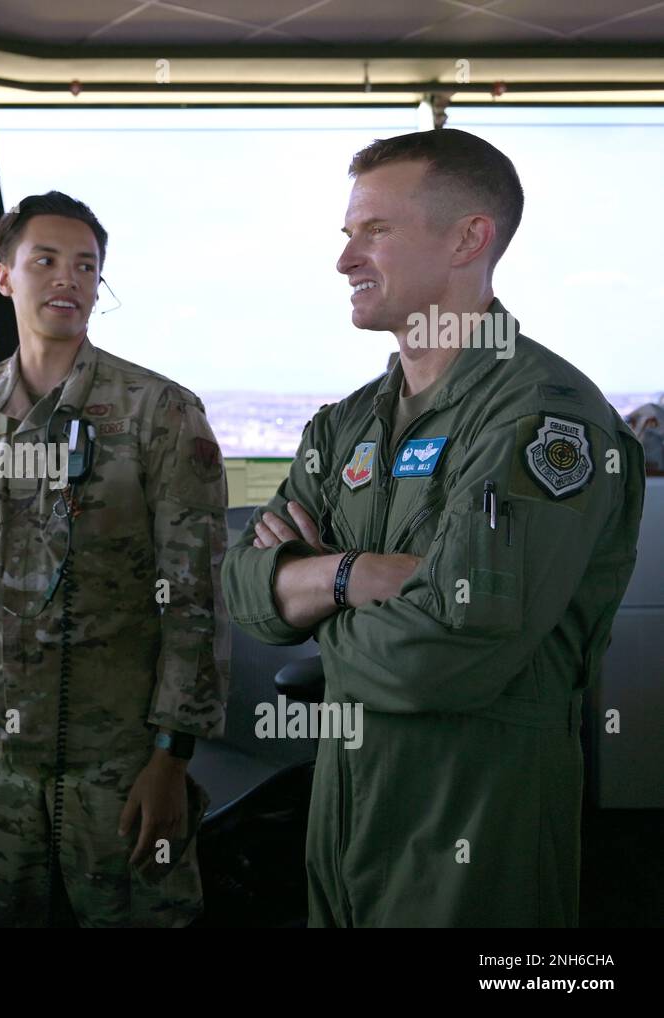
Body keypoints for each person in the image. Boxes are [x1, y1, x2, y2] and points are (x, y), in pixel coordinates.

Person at [223, 128, 644, 927]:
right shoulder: (345, 424)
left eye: (374, 231)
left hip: (479, 808)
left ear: (468, 239)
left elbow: (439, 659)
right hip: (345, 799)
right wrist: (349, 575)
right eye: (348, 235)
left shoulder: (541, 419)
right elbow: (244, 592)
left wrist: (312, 591)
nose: (345, 260)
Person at [0, 191, 230, 927]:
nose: (68, 280)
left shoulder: (160, 413)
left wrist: (171, 759)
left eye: (86, 266)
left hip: (121, 761)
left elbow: (196, 597)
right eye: (45, 260)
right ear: (4, 278)